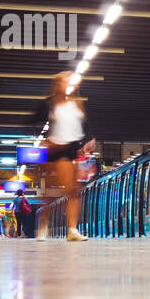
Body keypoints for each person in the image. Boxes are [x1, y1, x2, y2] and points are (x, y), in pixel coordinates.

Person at [35, 72, 94, 241]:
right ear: (58, 83)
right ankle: (44, 223)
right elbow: (32, 120)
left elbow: (85, 125)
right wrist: (42, 142)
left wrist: (90, 139)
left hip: (72, 150)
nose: (71, 83)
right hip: (55, 150)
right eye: (66, 80)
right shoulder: (50, 103)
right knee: (52, 194)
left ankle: (72, 230)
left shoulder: (78, 104)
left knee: (73, 190)